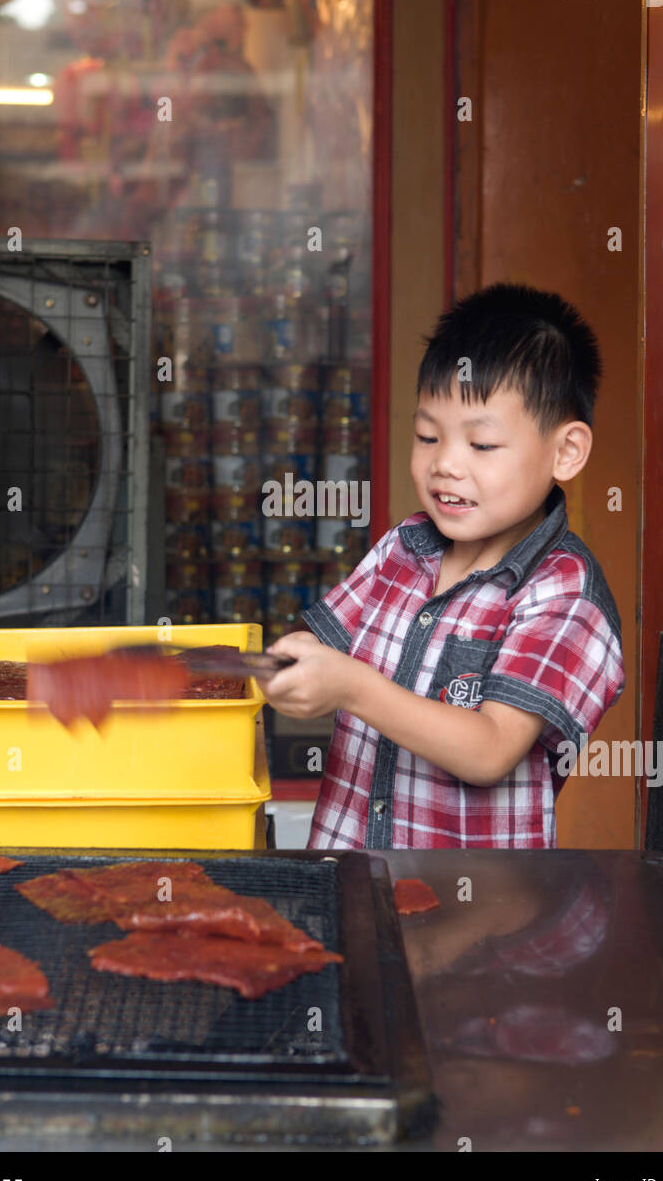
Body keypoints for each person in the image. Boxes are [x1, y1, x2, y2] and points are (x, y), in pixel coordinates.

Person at [258, 282, 626, 849]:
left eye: (481, 446)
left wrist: (352, 688)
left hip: (475, 923)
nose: (445, 464)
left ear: (566, 451)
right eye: (428, 436)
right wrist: (257, 668)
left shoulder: (564, 594)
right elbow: (317, 642)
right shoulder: (404, 547)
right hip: (347, 884)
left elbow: (490, 750)